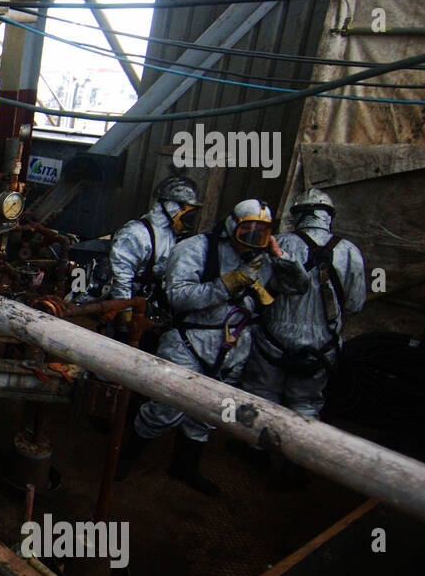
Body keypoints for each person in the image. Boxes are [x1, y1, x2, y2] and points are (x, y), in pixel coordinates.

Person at [114, 198, 309, 496]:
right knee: (164, 407)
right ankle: (122, 461)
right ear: (233, 226)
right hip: (189, 341)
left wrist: (280, 256)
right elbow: (178, 297)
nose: (253, 241)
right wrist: (226, 284)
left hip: (234, 344)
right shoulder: (196, 249)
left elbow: (299, 288)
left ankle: (185, 467)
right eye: (248, 232)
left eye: (262, 233)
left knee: (209, 412)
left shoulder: (267, 258)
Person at [239, 187, 365, 486]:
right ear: (328, 217)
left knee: (263, 395)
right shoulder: (350, 251)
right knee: (307, 403)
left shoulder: (279, 244)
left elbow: (258, 291)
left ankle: (258, 451)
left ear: (298, 215)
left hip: (273, 340)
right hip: (320, 348)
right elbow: (357, 304)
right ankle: (296, 465)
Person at [104, 173, 202, 340]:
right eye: (187, 211)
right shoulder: (136, 233)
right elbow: (120, 277)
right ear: (172, 207)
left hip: (148, 306)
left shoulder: (172, 236)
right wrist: (125, 317)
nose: (189, 219)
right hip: (123, 308)